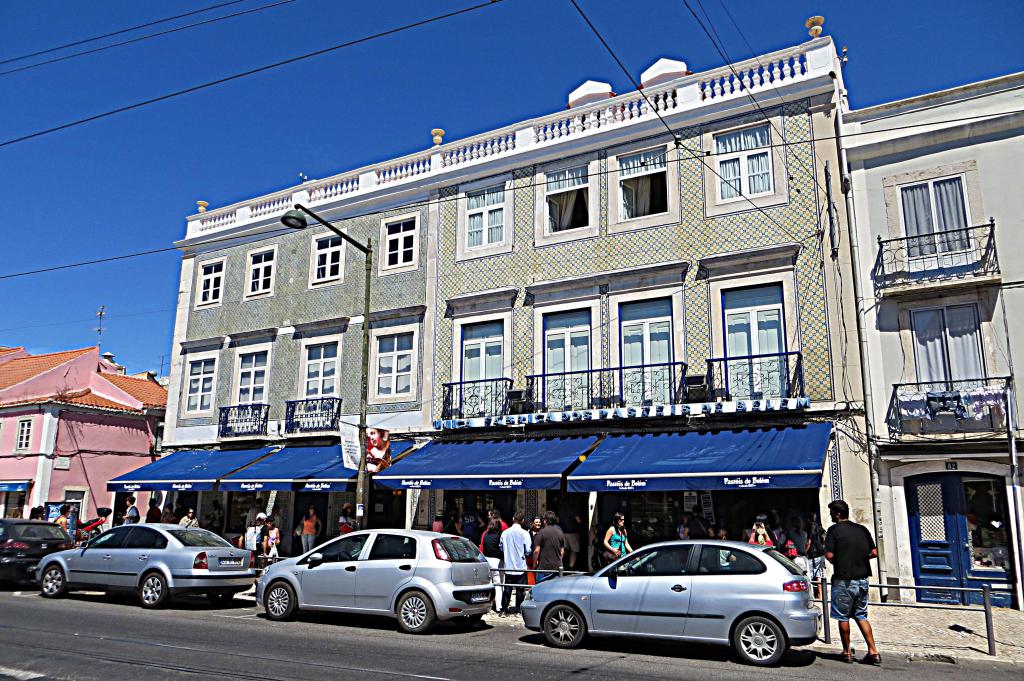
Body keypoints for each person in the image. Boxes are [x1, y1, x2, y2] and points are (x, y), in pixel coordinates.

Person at [824, 499, 880, 666]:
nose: (830, 516)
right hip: (862, 579)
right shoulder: (862, 529)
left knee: (843, 617)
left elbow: (829, 555)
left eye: (832, 513)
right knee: (861, 615)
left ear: (838, 514)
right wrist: (860, 559)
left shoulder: (834, 530)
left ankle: (847, 652)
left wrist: (839, 561)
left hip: (844, 579)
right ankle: (873, 651)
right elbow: (874, 552)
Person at [499, 511, 532, 617]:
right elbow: (528, 550)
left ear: (513, 519)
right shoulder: (525, 533)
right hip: (520, 565)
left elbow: (501, 547)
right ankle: (518, 611)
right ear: (522, 521)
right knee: (520, 589)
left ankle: (504, 610)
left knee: (507, 589)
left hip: (508, 565)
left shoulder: (505, 533)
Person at [479, 516, 505, 611]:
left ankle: (489, 604)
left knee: (490, 583)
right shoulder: (499, 535)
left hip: (487, 560)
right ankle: (499, 606)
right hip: (497, 561)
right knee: (499, 584)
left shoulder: (485, 534)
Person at [532, 511, 565, 582]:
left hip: (544, 569)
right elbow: (562, 551)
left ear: (545, 520)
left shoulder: (541, 532)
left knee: (541, 587)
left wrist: (534, 564)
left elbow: (536, 551)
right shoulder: (560, 533)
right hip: (557, 568)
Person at [807, 511, 827, 597]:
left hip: (813, 555)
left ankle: (811, 596)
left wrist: (804, 552)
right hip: (821, 554)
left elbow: (809, 542)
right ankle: (820, 595)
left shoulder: (810, 528)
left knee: (809, 576)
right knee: (819, 574)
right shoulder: (820, 527)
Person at [557, 501, 582, 570]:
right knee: (574, 550)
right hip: (572, 533)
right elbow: (578, 520)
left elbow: (557, 520)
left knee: (564, 550)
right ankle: (571, 567)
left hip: (563, 533)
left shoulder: (560, 509)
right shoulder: (573, 508)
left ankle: (559, 565)